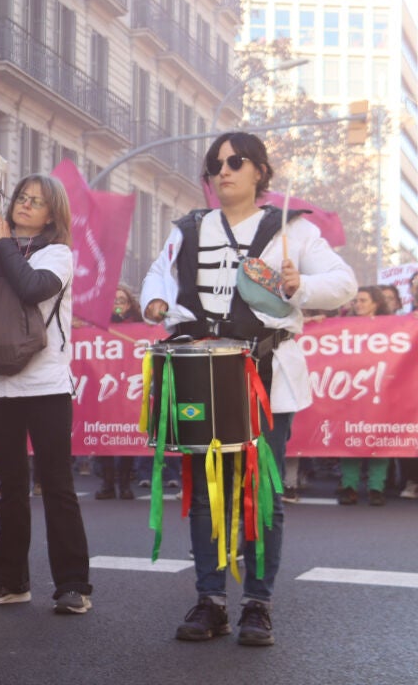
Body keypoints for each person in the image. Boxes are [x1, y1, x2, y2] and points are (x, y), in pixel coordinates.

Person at [140, 131, 356, 646]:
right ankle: (210, 600)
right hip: (201, 376)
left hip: (267, 378)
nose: (224, 172)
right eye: (216, 165)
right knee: (204, 498)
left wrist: (300, 285)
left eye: (236, 162)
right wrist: (154, 304)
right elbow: (158, 277)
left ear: (260, 170)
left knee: (263, 494)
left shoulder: (292, 230)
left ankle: (257, 604)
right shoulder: (190, 228)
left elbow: (344, 282)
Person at [0, 173, 93, 616]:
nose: (25, 205)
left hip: (46, 384)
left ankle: (73, 585)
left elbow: (33, 288)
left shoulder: (58, 254)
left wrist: (2, 244)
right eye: (21, 198)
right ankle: (10, 581)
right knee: (11, 488)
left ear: (53, 213)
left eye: (37, 201)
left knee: (57, 485)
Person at [336, 286, 391, 507]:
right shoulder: (342, 327)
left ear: (375, 304)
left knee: (380, 439)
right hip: (352, 391)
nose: (358, 304)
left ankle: (376, 488)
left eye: (363, 300)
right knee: (350, 438)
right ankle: (349, 486)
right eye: (356, 300)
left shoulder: (392, 326)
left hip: (382, 391)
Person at [96, 285, 137, 500]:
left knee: (129, 435)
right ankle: (108, 483)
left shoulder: (139, 327)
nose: (118, 304)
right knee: (103, 436)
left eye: (122, 300)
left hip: (129, 387)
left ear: (129, 304)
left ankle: (125, 483)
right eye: (114, 300)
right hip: (105, 386)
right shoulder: (98, 326)